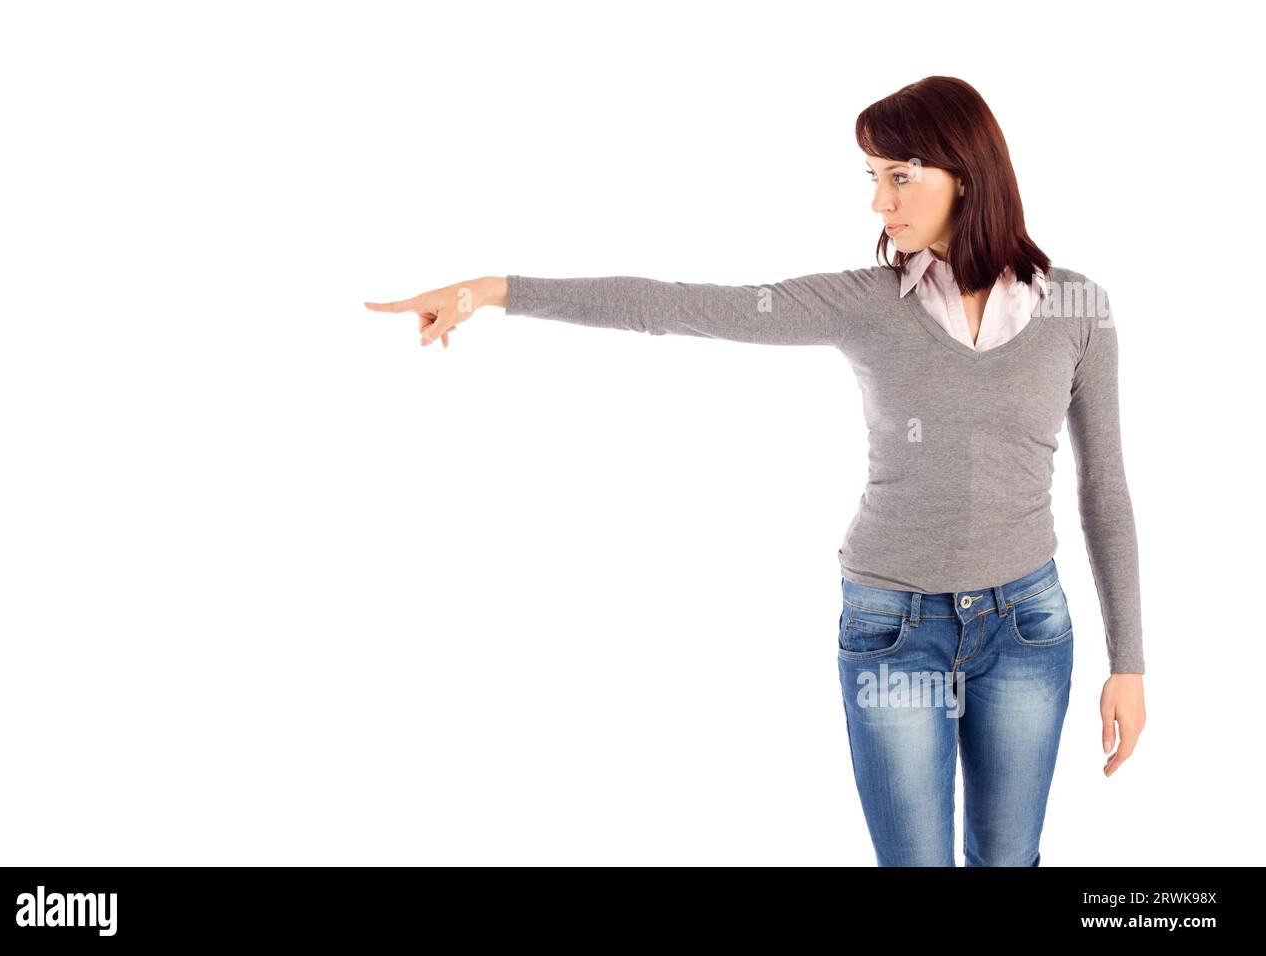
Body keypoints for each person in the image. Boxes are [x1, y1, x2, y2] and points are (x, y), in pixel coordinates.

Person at [363, 76, 1146, 866]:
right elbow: (675, 306)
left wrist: (1130, 661)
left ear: (968, 174)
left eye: (898, 175)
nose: (880, 202)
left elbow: (1104, 489)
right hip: (893, 628)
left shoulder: (1078, 310)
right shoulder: (864, 302)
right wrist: (492, 291)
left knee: (1009, 859)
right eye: (872, 178)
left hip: (1027, 627)